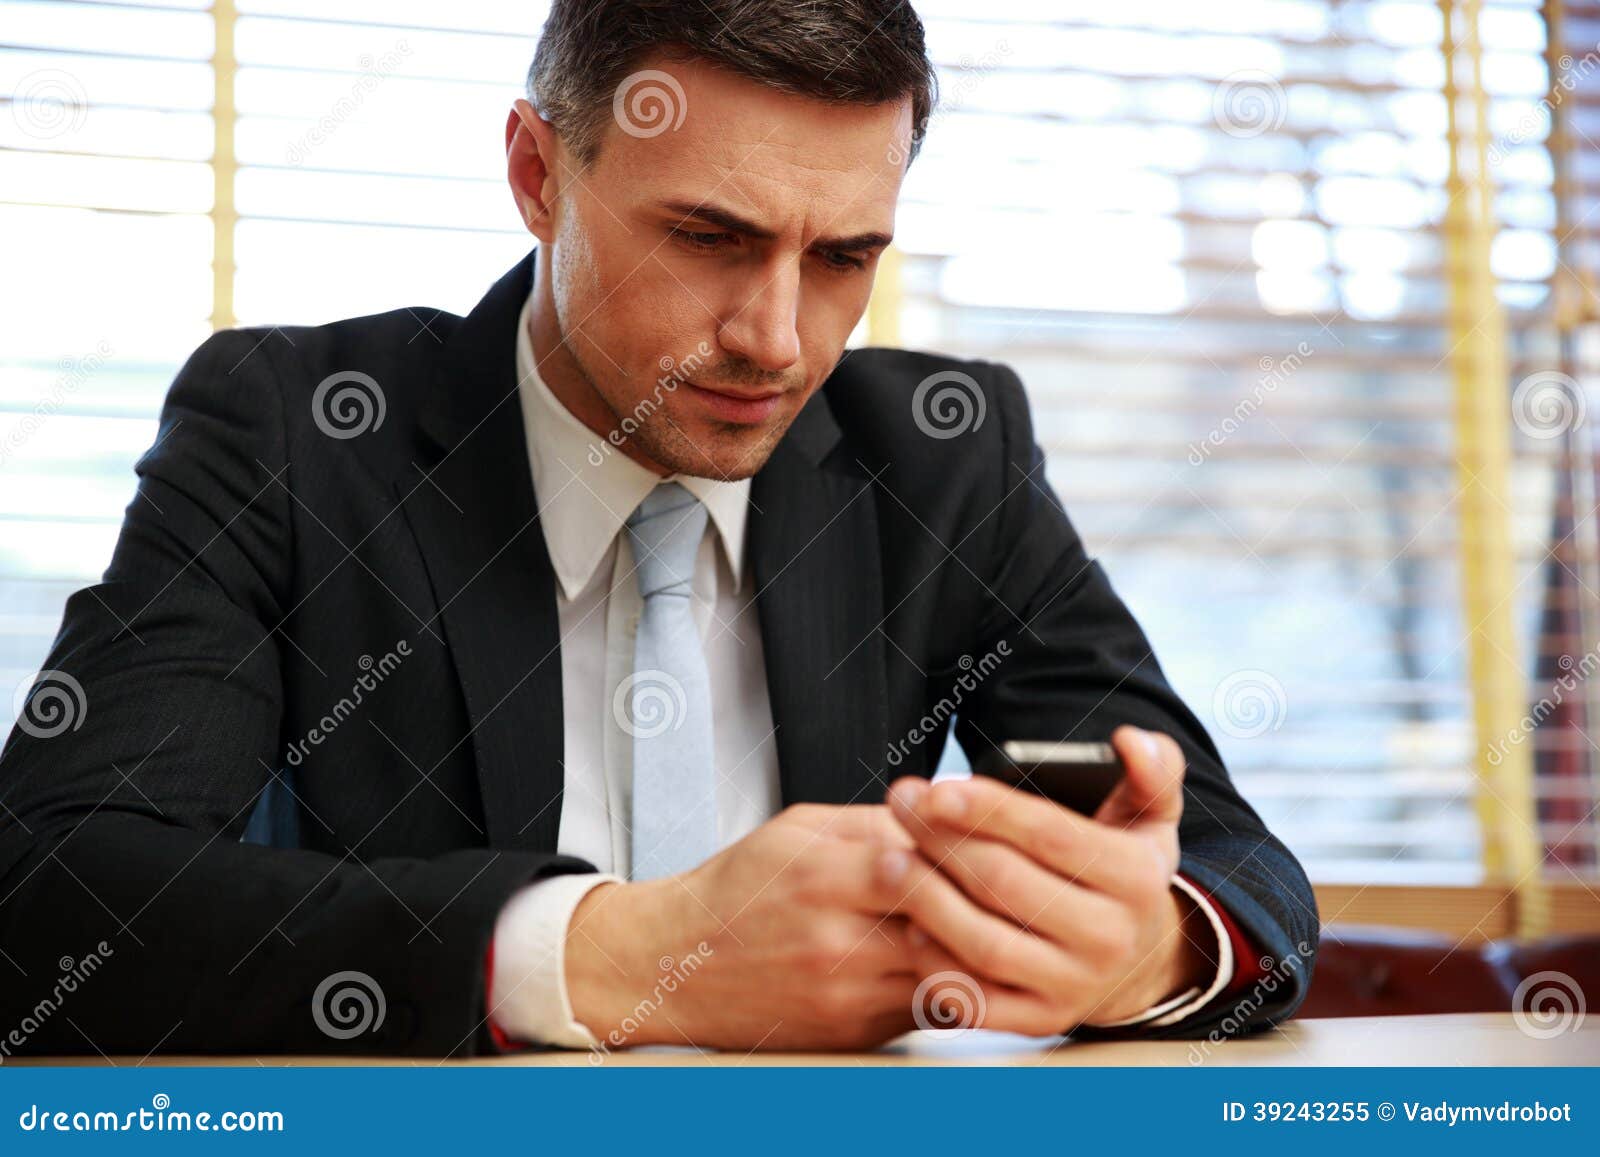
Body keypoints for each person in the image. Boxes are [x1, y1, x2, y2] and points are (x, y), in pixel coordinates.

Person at [0, 0, 1317, 1058]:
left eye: (844, 258)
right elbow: (54, 890)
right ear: (536, 173)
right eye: (707, 236)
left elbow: (1235, 863)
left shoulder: (942, 454)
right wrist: (616, 952)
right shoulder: (295, 434)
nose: (776, 337)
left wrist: (1140, 945)